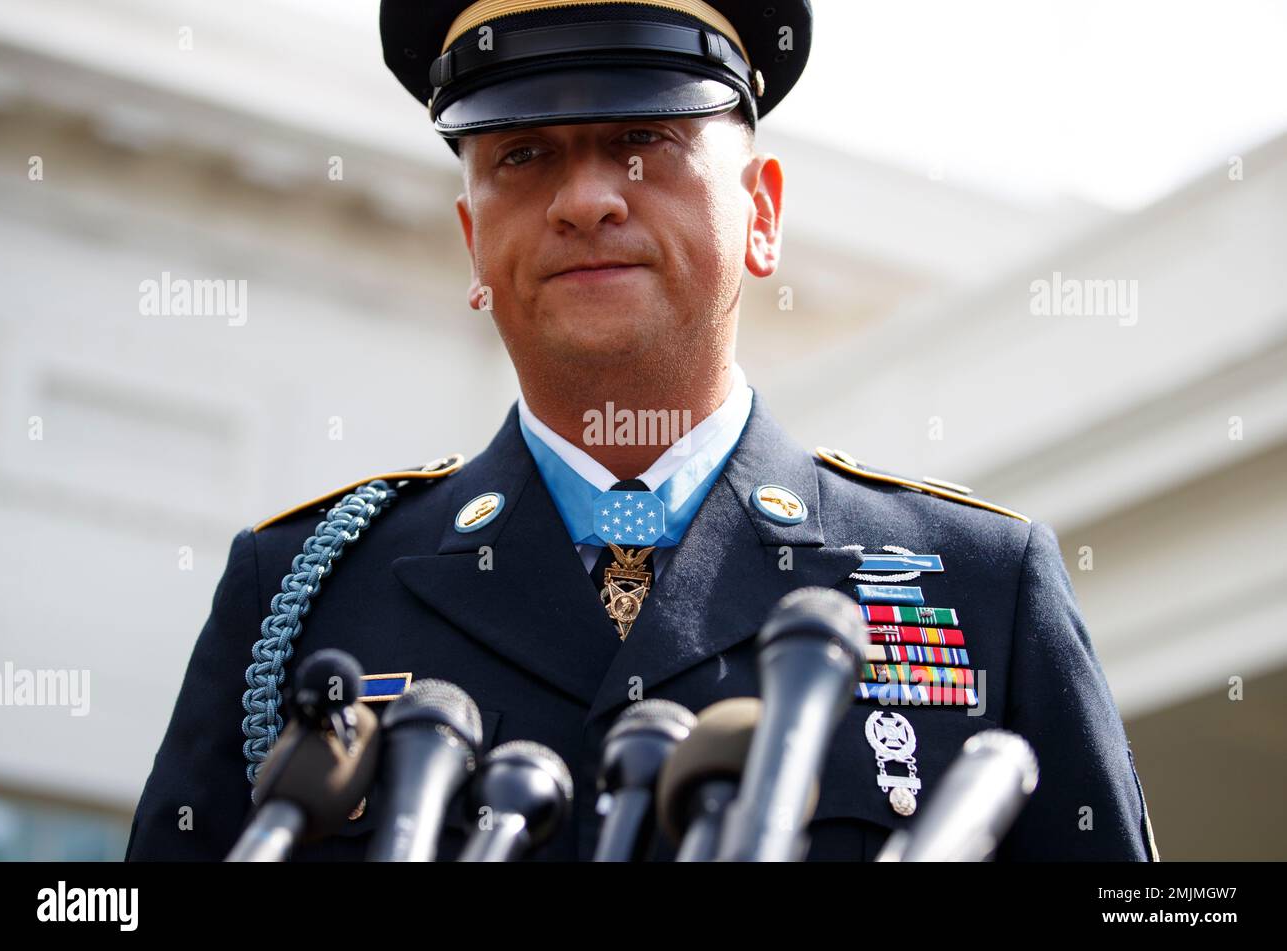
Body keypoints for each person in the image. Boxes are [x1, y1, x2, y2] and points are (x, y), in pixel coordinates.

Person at [126, 0, 1157, 861]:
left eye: (642, 141)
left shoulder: (979, 587)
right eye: (522, 154)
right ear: (472, 240)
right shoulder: (300, 595)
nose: (583, 200)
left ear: (762, 212)